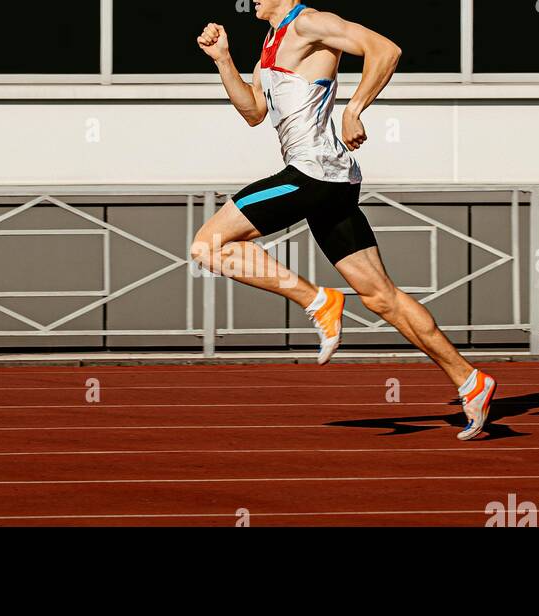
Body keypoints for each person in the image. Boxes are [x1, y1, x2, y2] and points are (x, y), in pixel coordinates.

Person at [192, 2, 497, 440]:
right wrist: (223, 59)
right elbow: (254, 112)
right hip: (329, 180)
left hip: (312, 173)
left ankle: (318, 301)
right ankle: (469, 380)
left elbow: (385, 50)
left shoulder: (309, 23)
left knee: (208, 246)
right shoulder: (270, 44)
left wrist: (354, 109)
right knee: (381, 297)